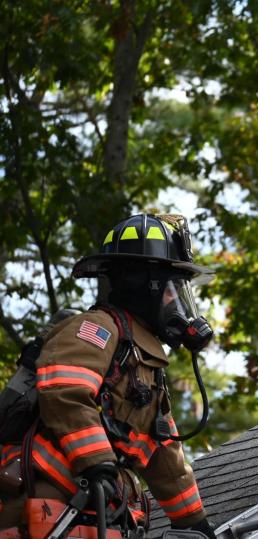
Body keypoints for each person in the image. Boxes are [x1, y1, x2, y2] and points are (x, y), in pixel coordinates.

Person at [0, 213, 216, 539]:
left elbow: (163, 456)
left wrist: (195, 524)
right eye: (173, 289)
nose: (178, 303)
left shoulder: (144, 367)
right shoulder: (99, 328)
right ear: (142, 284)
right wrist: (97, 462)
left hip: (89, 516)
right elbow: (65, 389)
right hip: (48, 509)